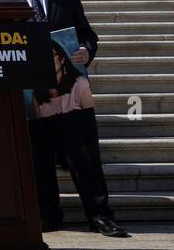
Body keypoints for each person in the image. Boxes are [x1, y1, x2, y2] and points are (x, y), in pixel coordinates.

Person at [28, 45, 129, 237]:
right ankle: (47, 216)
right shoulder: (34, 99)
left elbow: (88, 36)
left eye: (53, 56)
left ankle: (99, 216)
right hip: (34, 87)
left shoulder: (77, 86)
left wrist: (87, 51)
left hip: (72, 105)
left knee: (84, 156)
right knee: (39, 157)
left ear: (62, 59)